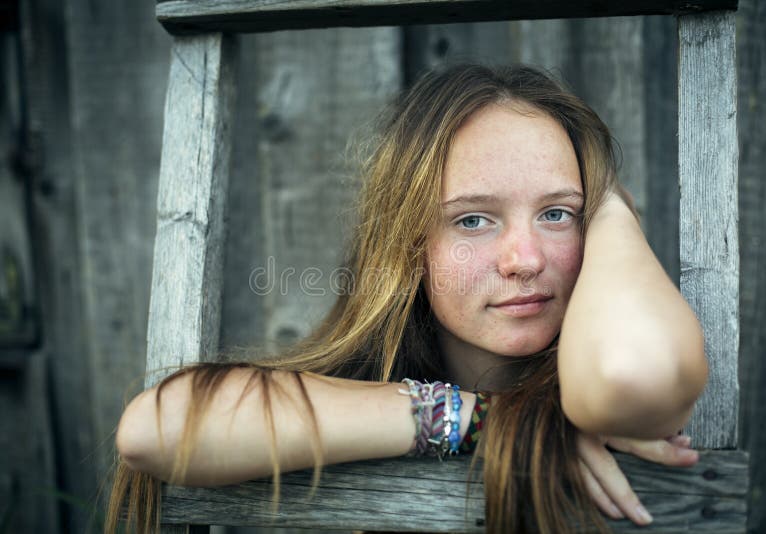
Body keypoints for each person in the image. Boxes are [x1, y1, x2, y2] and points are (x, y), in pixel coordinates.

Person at [107, 64, 708, 534]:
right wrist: (479, 421)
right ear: (407, 245)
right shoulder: (362, 386)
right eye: (473, 221)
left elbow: (631, 372)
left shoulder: (628, 348)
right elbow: (152, 430)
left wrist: (610, 207)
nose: (525, 259)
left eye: (557, 214)